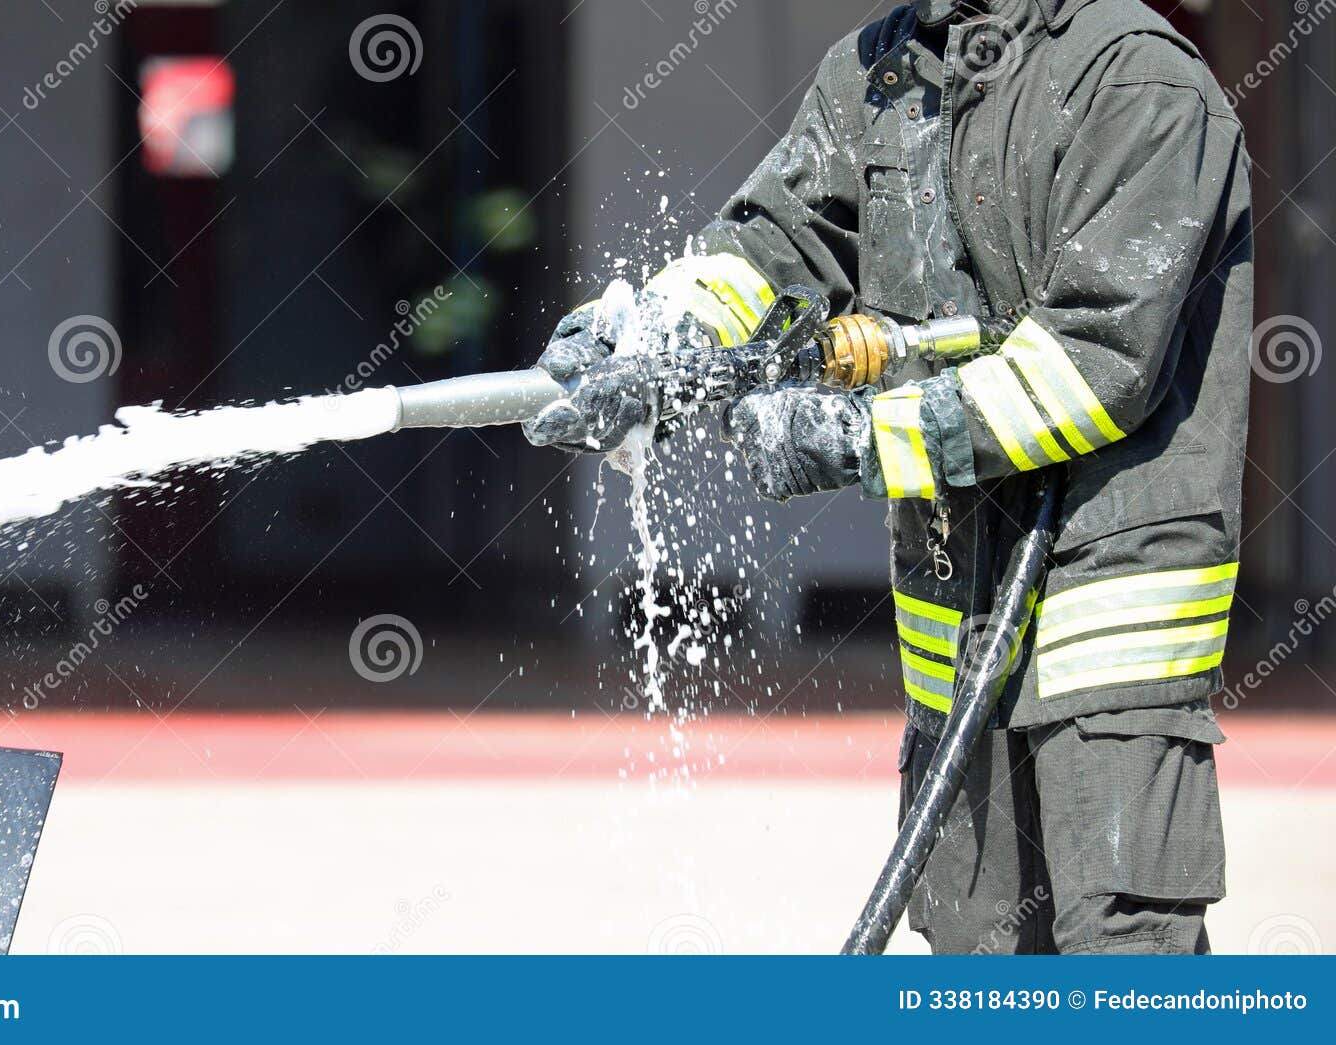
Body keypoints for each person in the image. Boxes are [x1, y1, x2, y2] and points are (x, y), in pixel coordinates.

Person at [523, 0, 1252, 954]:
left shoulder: (1139, 82)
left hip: (1107, 614)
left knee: (1122, 948)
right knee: (972, 945)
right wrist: (658, 337)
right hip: (961, 610)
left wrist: (862, 437)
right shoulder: (881, 68)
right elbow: (776, 246)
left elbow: (1096, 363)